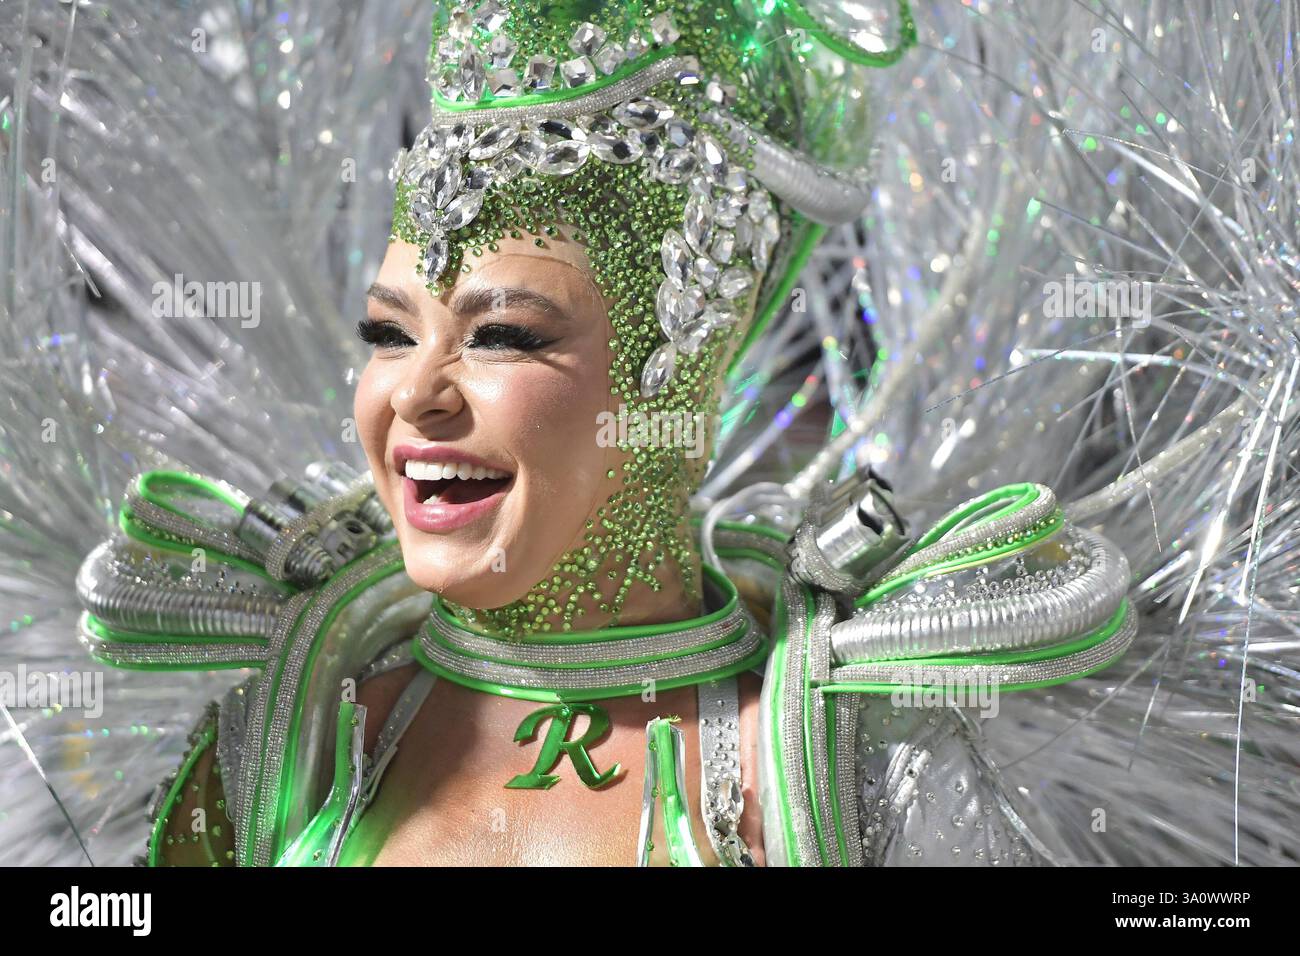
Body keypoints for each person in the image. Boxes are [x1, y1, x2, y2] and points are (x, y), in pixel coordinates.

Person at [72, 0, 1137, 867]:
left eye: (499, 336)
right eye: (388, 333)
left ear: (679, 369)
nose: (414, 396)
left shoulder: (851, 760)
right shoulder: (291, 733)